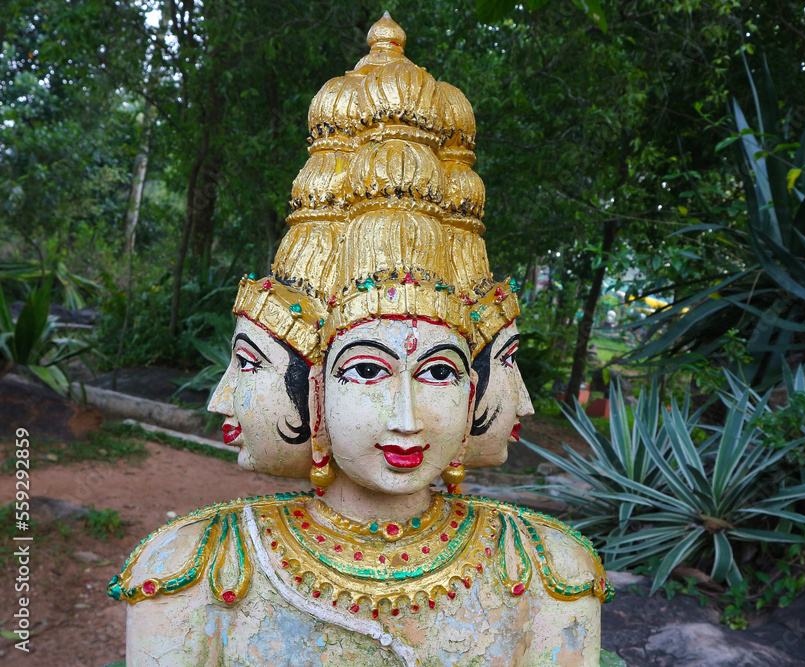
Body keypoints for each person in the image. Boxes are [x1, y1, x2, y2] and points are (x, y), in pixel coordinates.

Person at [109, 15, 611, 665]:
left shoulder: (547, 573)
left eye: (437, 372)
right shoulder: (197, 571)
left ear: (476, 382)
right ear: (311, 384)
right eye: (369, 370)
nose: (405, 419)